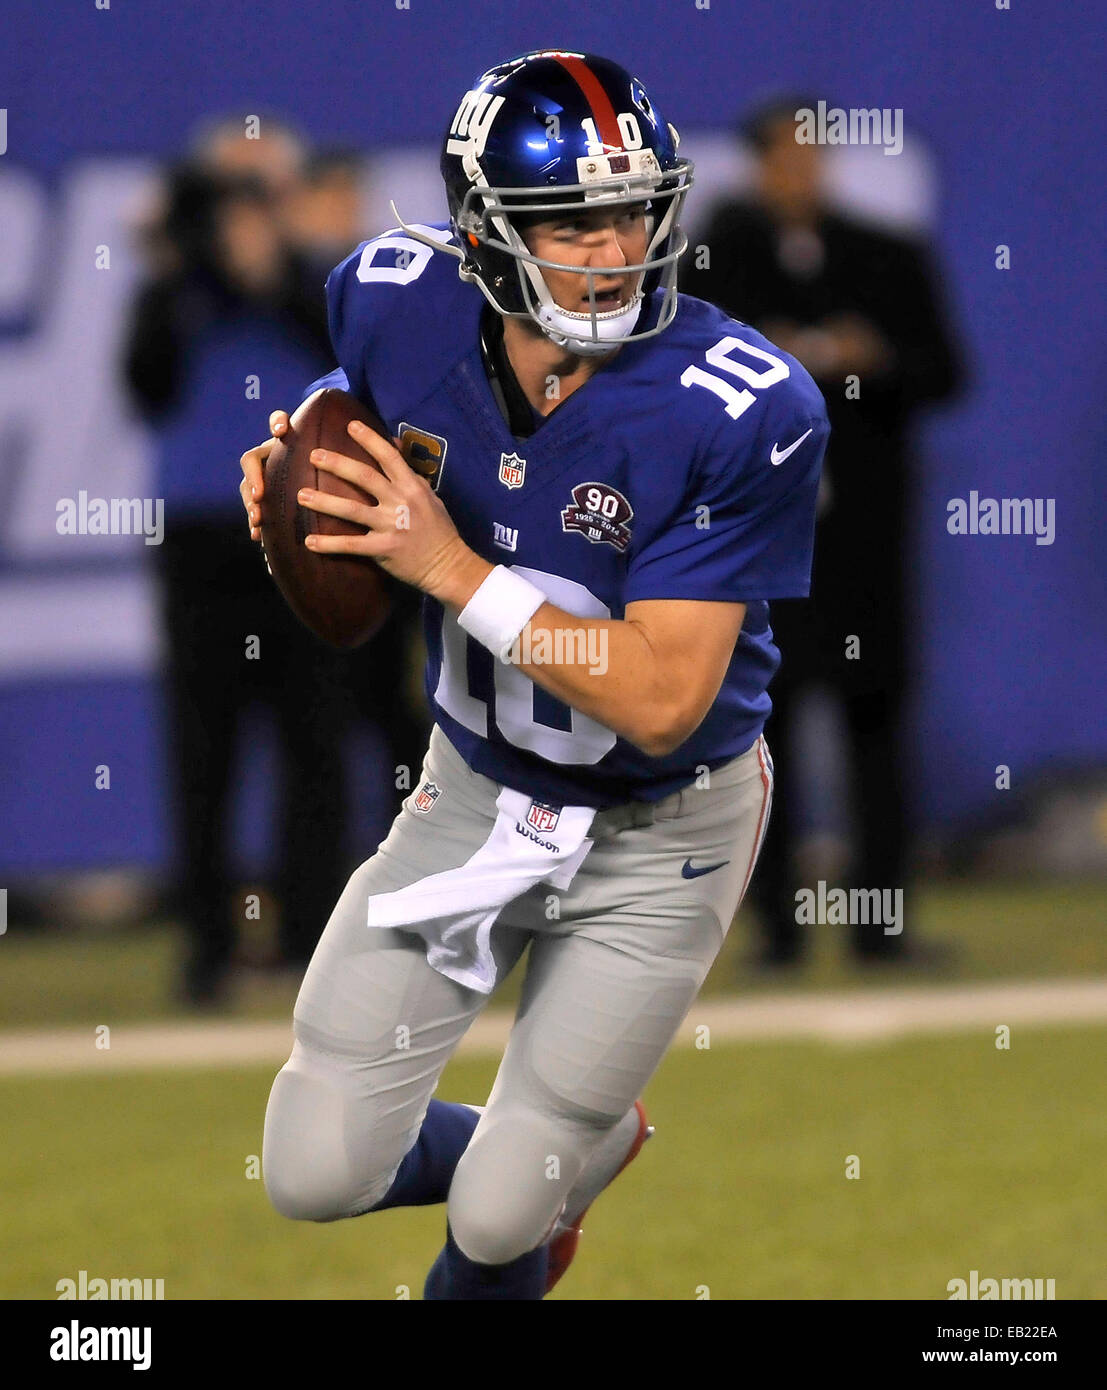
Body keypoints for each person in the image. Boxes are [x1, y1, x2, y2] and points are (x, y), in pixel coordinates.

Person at [240, 50, 828, 1300]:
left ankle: (548, 1163)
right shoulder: (398, 296)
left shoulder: (736, 403)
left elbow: (667, 696)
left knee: (505, 1214)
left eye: (635, 211)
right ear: (481, 235)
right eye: (571, 223)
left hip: (664, 830)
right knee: (311, 1167)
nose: (614, 251)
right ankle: (569, 1145)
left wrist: (452, 569)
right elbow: (359, 397)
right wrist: (303, 470)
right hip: (475, 790)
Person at [682, 97, 962, 966]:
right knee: (761, 732)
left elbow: (946, 371)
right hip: (765, 538)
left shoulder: (886, 253)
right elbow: (678, 384)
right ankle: (778, 932)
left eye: (815, 155)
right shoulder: (717, 261)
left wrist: (867, 357)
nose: (802, 172)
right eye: (786, 157)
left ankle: (882, 930)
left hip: (867, 542)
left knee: (876, 724)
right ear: (760, 165)